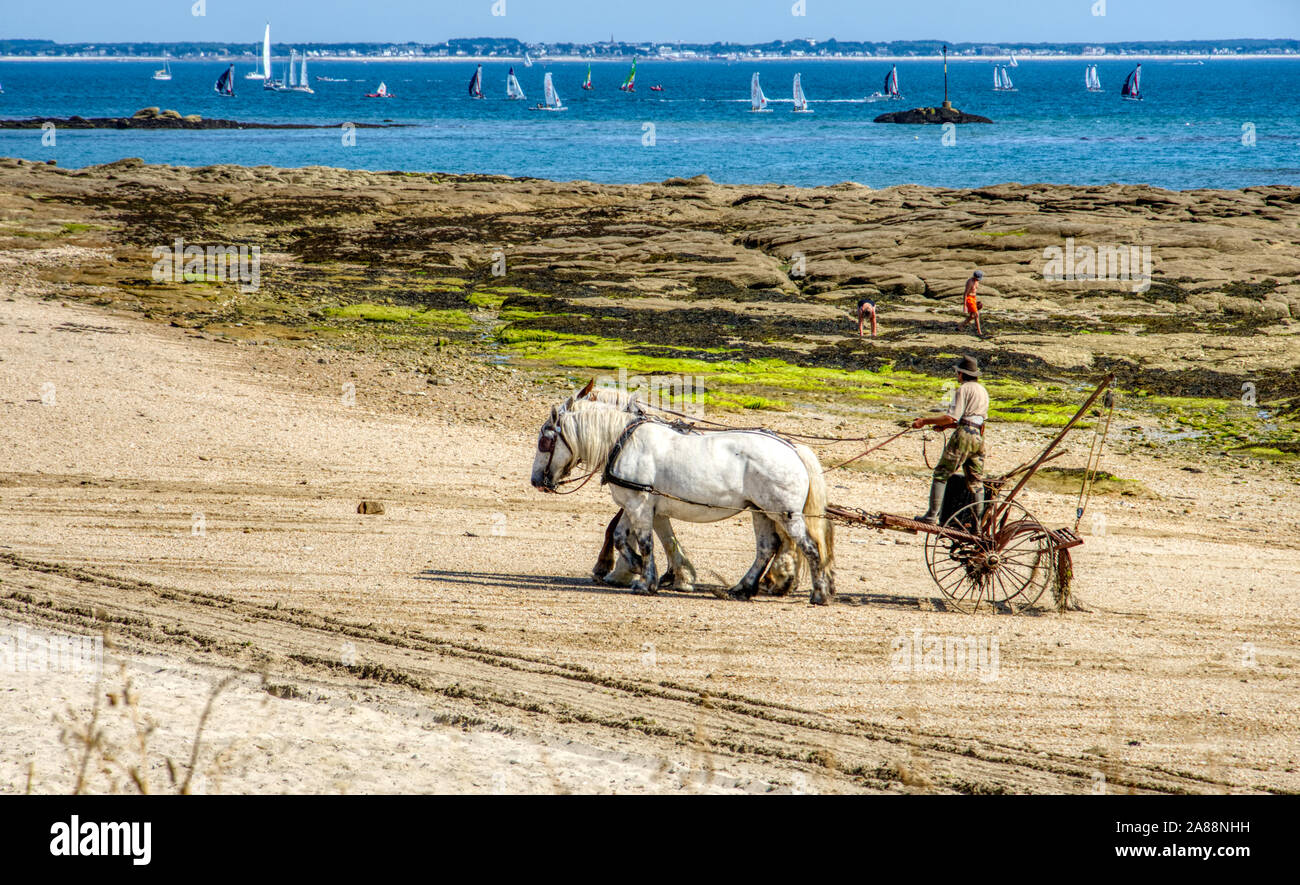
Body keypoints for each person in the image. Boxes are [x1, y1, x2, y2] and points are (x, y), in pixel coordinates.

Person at [911, 356, 989, 524]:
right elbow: (974, 420)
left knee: (941, 474)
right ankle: (977, 525)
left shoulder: (963, 389)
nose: (957, 376)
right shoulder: (983, 391)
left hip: (963, 436)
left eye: (957, 373)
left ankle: (931, 516)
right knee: (976, 482)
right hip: (978, 437)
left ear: (961, 374)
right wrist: (947, 427)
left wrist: (924, 421)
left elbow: (950, 417)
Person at [958, 270, 983, 336]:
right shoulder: (970, 282)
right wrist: (965, 305)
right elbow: (965, 293)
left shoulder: (977, 282)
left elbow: (974, 292)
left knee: (972, 316)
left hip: (973, 298)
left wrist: (976, 301)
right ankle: (979, 332)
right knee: (977, 314)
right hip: (969, 299)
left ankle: (960, 326)